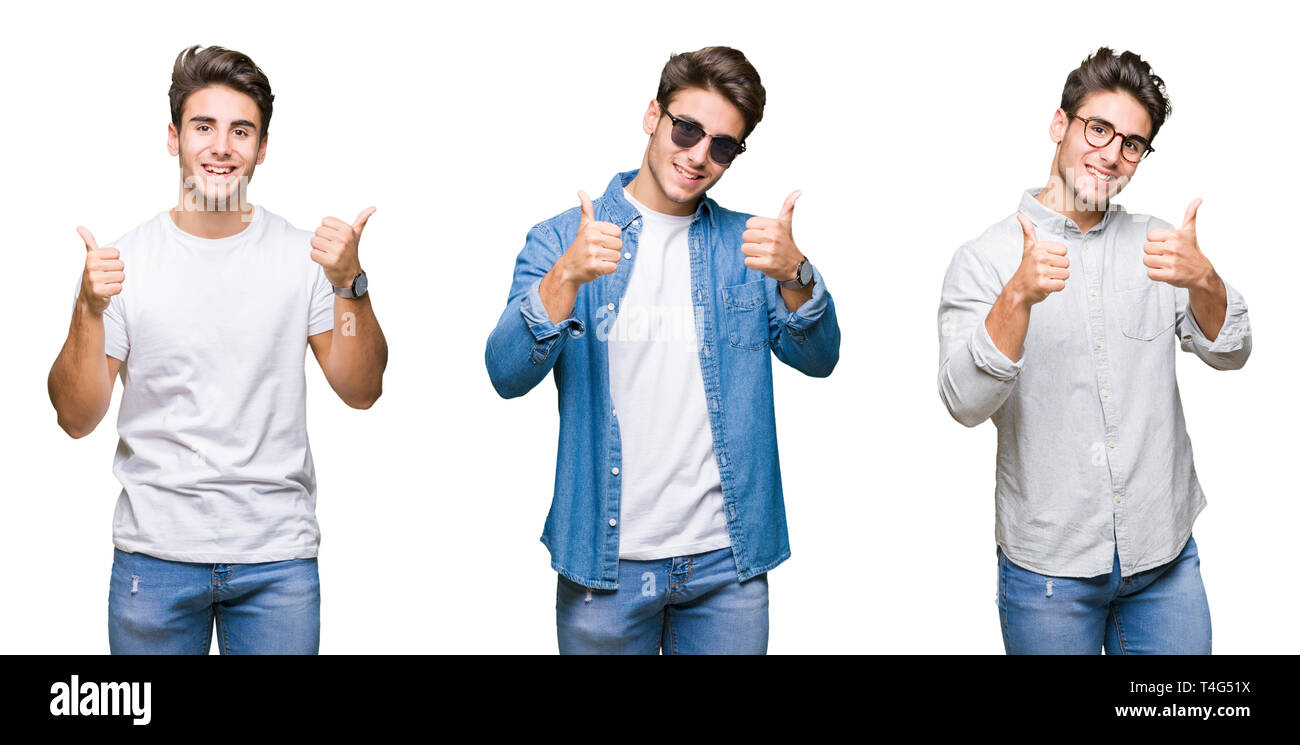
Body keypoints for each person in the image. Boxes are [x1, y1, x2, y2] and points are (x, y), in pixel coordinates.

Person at [486, 46, 840, 654]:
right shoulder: (561, 240)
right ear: (653, 115)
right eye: (687, 129)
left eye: (724, 145)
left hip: (726, 567)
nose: (700, 155)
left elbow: (820, 358)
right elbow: (505, 372)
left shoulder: (751, 246)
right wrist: (563, 281)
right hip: (605, 563)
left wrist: (797, 274)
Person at [47, 45, 388, 654]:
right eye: (204, 127)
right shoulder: (126, 263)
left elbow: (361, 390)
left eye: (241, 130)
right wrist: (87, 308)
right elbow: (76, 418)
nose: (222, 146)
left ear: (262, 147)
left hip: (276, 563)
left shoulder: (303, 258)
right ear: (174, 138)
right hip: (153, 561)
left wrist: (349, 285)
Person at [937, 47, 1251, 654]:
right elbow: (963, 402)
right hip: (1048, 574)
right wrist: (1019, 298)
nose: (1112, 153)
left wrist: (1204, 279)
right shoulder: (984, 259)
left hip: (1164, 558)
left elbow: (1230, 351)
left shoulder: (1161, 244)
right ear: (1061, 125)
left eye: (1132, 143)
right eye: (1099, 128)